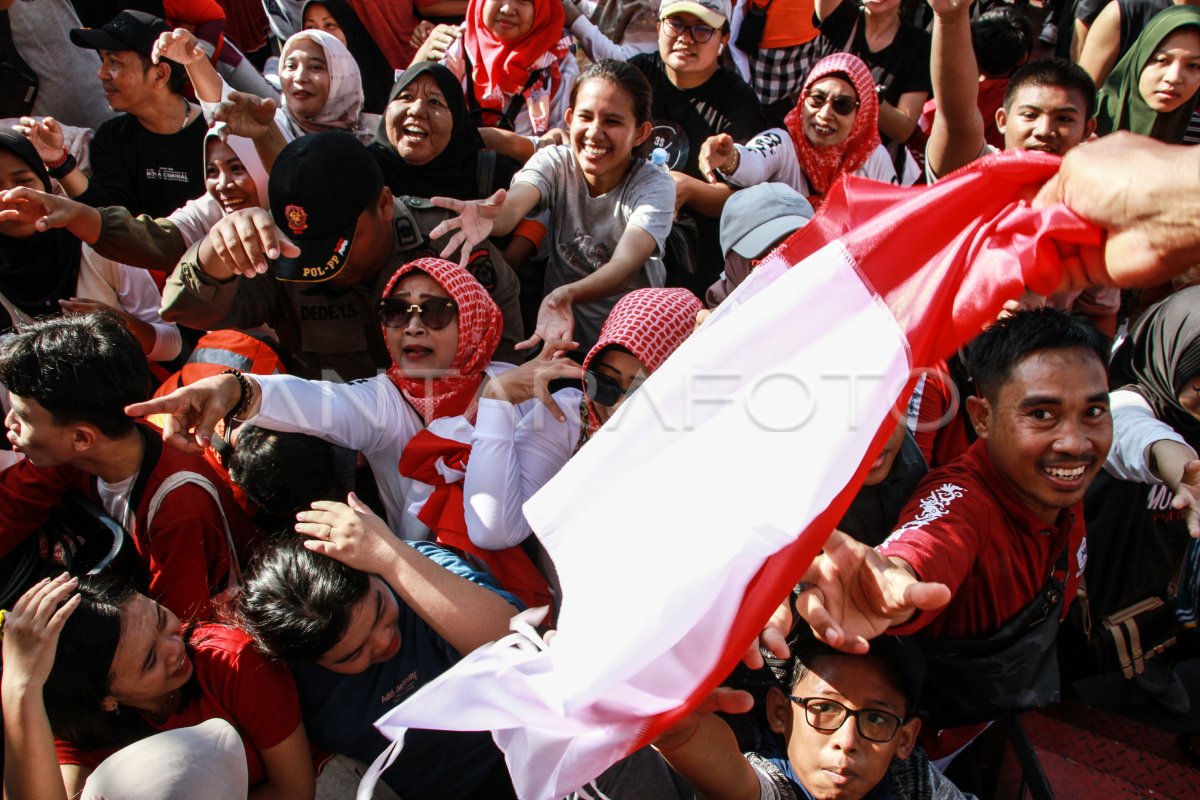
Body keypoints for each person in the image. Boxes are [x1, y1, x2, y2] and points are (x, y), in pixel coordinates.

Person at [134, 256, 551, 608]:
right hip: (426, 588)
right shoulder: (385, 400)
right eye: (396, 311)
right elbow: (318, 402)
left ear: (473, 319)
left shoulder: (521, 388)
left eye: (436, 311)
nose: (413, 327)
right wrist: (237, 387)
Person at [792, 309, 1112, 757]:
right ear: (982, 417)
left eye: (1094, 411)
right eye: (1042, 414)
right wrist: (888, 579)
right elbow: (928, 540)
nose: (1076, 442)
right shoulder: (963, 499)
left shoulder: (1056, 475)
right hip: (925, 745)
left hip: (983, 718)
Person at [158, 131, 523, 380]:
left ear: (383, 204)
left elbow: (507, 360)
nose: (325, 270)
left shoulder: (447, 237)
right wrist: (212, 257)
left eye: (338, 245)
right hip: (338, 439)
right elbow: (181, 311)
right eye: (310, 250)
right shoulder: (279, 251)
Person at [237, 508, 521, 798]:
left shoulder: (411, 566)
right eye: (353, 654)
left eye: (382, 610)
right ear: (307, 663)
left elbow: (517, 643)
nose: (384, 641)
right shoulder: (282, 677)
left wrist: (391, 556)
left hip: (520, 758)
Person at [0, 313, 258, 622]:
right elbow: (12, 509)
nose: (9, 423)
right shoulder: (75, 452)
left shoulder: (178, 510)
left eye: (22, 417)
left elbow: (175, 632)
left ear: (82, 437)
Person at [464, 287, 702, 600]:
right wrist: (496, 399)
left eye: (643, 391)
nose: (618, 408)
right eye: (605, 383)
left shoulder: (702, 439)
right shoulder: (569, 415)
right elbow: (492, 529)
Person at [432, 59, 675, 351]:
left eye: (612, 121)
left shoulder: (654, 184)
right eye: (586, 117)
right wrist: (489, 216)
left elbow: (624, 265)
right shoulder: (555, 162)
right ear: (569, 119)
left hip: (630, 347)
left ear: (641, 132)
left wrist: (567, 294)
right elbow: (513, 207)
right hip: (560, 338)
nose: (595, 133)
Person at [0, 574, 314, 798]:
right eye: (150, 660)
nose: (174, 648)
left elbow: (295, 790)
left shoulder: (232, 661)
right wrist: (20, 686)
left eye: (162, 619)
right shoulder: (81, 726)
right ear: (107, 701)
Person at [566, 0, 767, 296]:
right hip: (612, 236)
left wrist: (688, 189)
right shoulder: (634, 77)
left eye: (701, 29)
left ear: (723, 38)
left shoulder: (738, 101)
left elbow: (744, 198)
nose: (686, 38)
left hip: (694, 260)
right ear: (658, 27)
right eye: (676, 24)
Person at [654, 636, 966, 800]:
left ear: (906, 739)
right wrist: (678, 734)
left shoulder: (912, 783)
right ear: (780, 713)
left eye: (875, 718)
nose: (846, 742)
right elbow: (731, 780)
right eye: (825, 708)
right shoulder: (776, 785)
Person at [21, 10, 205, 218]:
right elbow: (111, 219)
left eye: (115, 62)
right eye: (103, 60)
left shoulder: (214, 132)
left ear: (160, 75)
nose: (101, 74)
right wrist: (59, 163)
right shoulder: (112, 138)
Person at [924, 0, 1097, 182]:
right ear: (1002, 120)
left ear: (1087, 130)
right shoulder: (979, 171)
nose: (1044, 131)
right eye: (1030, 115)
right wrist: (950, 17)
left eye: (1064, 118)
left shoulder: (1101, 198)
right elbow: (956, 119)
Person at [698, 53, 899, 206]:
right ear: (803, 99)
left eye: (842, 105)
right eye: (817, 99)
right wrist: (728, 157)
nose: (825, 113)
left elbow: (891, 219)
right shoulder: (784, 142)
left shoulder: (873, 158)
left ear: (861, 114)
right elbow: (755, 161)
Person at [413, 0, 578, 136]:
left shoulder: (557, 66)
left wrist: (509, 146)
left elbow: (560, 148)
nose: (507, 9)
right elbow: (413, 118)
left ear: (541, 9)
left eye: (523, 1)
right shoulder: (455, 47)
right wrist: (420, 60)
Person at [368, 61, 520, 201]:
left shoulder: (492, 174)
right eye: (406, 97)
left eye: (435, 101)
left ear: (457, 120)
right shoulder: (363, 169)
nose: (416, 110)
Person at [813, 0, 931, 177]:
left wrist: (866, 95)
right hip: (815, 158)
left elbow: (902, 130)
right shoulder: (843, 16)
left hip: (869, 176)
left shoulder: (919, 45)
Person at [1094, 5, 1200, 142]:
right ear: (1140, 59)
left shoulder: (1196, 136)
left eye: (1193, 66)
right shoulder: (1085, 118)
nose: (1174, 78)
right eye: (1162, 60)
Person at [706, 181, 814, 307]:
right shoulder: (722, 319)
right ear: (734, 264)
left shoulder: (837, 283)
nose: (785, 266)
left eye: (798, 249)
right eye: (767, 259)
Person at [301, 0, 395, 114]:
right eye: (311, 27)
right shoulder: (300, 79)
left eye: (330, 25)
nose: (321, 35)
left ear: (347, 29)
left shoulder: (375, 83)